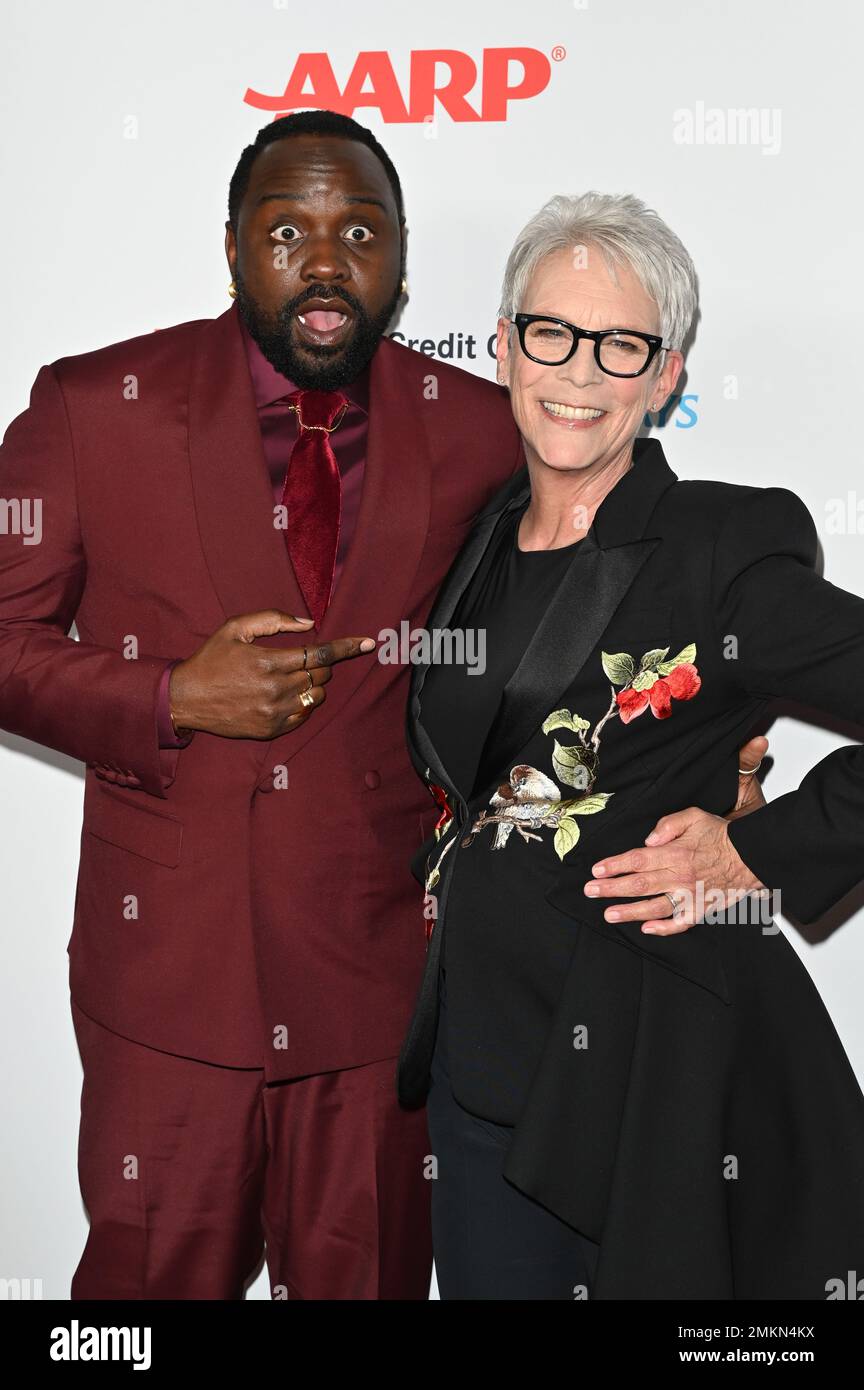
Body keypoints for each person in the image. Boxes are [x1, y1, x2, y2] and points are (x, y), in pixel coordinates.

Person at [0, 109, 531, 1300]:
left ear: (400, 258)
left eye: (360, 230)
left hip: (378, 990)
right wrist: (170, 694)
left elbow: (555, 625)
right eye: (288, 229)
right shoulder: (96, 406)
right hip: (170, 986)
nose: (327, 261)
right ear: (232, 246)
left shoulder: (485, 431)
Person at [398, 192, 864, 1300]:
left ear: (667, 376)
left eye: (623, 346)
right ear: (505, 347)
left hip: (654, 1081)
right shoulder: (474, 538)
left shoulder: (719, 545)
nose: (580, 372)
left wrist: (763, 850)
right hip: (479, 1077)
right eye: (553, 333)